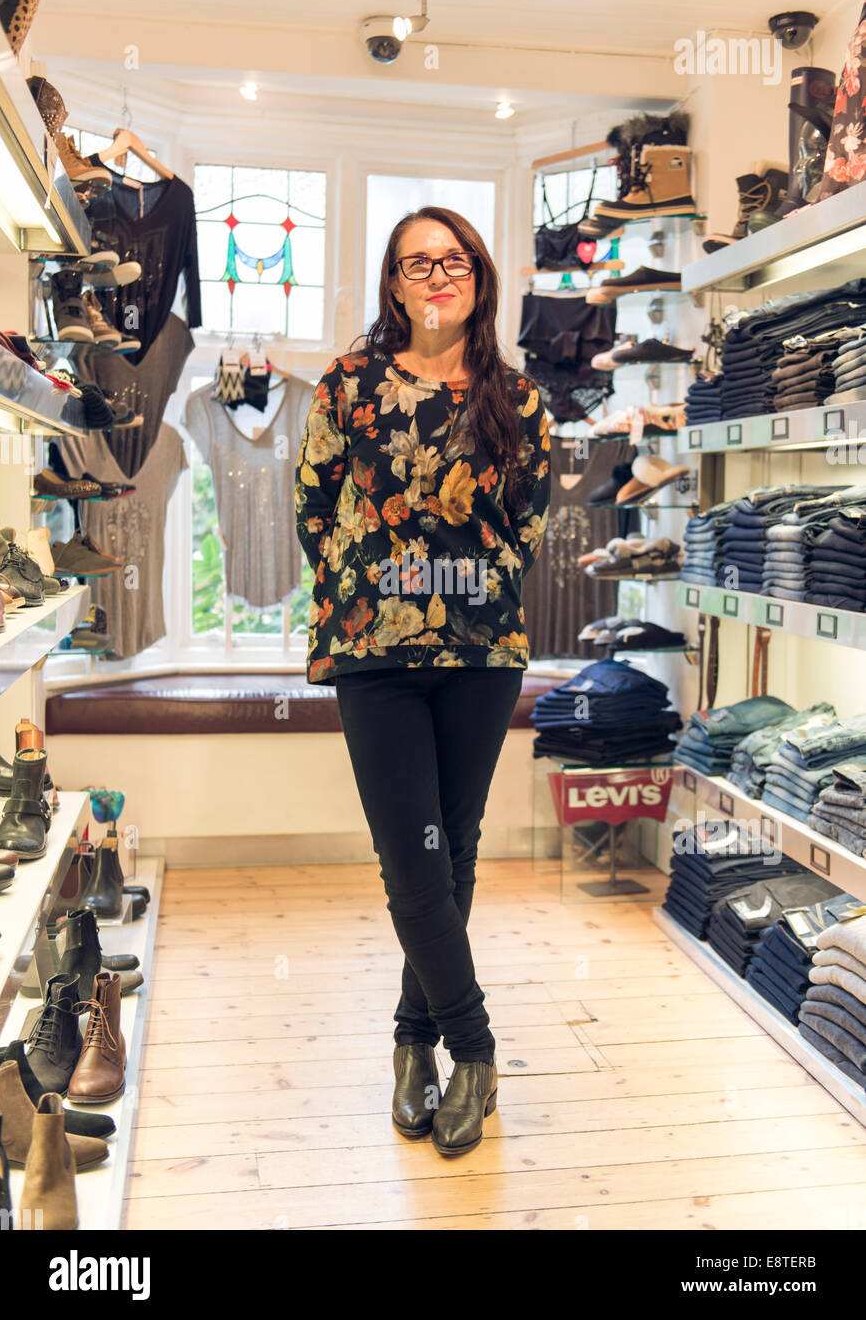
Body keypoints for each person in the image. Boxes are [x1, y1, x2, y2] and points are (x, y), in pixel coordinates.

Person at [294, 206, 551, 1156]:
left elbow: (523, 529)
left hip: (481, 651)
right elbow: (314, 506)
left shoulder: (517, 401)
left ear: (477, 279)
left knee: (454, 850)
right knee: (412, 854)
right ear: (393, 285)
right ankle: (474, 1051)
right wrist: (371, 589)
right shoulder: (348, 384)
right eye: (415, 264)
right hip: (375, 652)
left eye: (452, 261)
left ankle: (412, 1044)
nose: (435, 276)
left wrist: (464, 590)